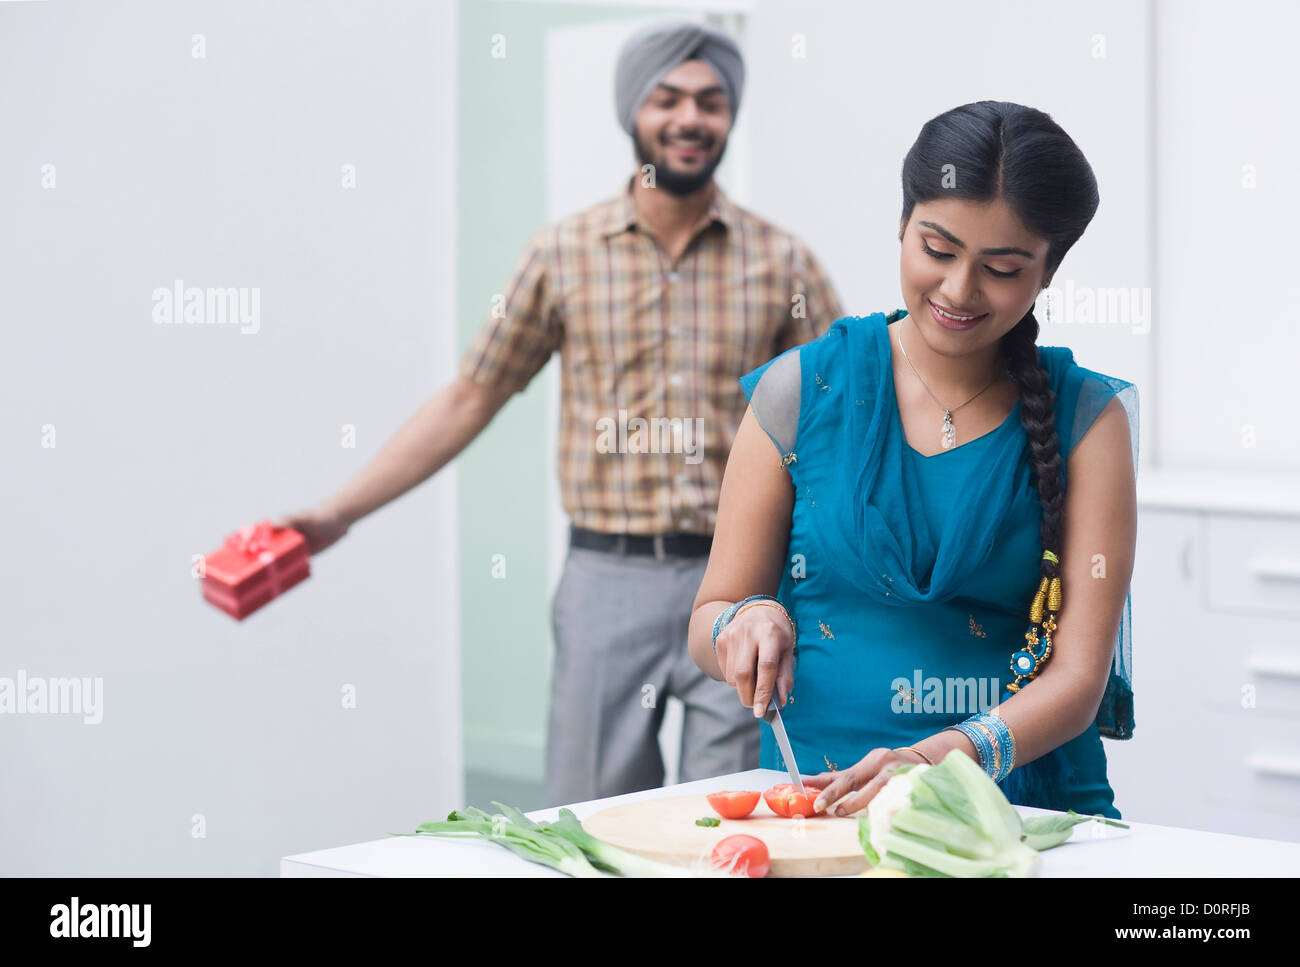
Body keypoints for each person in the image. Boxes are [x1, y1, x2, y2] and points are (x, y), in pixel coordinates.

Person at [273, 20, 843, 806]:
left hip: (742, 580)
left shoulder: (784, 261)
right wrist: (341, 511)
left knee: (729, 814)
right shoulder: (561, 254)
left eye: (711, 102)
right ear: (632, 112)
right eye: (668, 98)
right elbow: (474, 392)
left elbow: (838, 424)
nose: (690, 119)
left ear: (730, 117)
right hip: (606, 578)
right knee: (591, 821)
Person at [689, 100, 1138, 820]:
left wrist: (934, 759)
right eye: (937, 249)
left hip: (1019, 815)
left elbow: (1080, 677)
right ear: (903, 225)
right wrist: (741, 621)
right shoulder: (801, 391)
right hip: (824, 809)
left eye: (1001, 267)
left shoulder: (1088, 419)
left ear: (1047, 272)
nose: (960, 290)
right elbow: (709, 615)